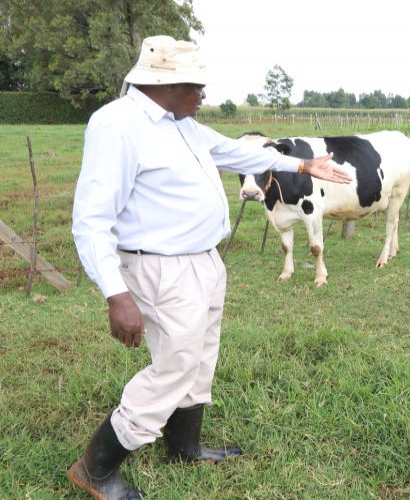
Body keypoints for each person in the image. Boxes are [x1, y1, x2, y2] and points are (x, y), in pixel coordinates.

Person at [68, 35, 352, 499]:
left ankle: (184, 447)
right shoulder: (118, 125)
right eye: (197, 86)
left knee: (200, 357)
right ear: (168, 84)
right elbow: (91, 219)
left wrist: (303, 164)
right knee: (174, 365)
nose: (203, 95)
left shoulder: (182, 123)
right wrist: (116, 294)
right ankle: (95, 468)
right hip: (159, 268)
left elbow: (235, 153)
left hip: (203, 261)